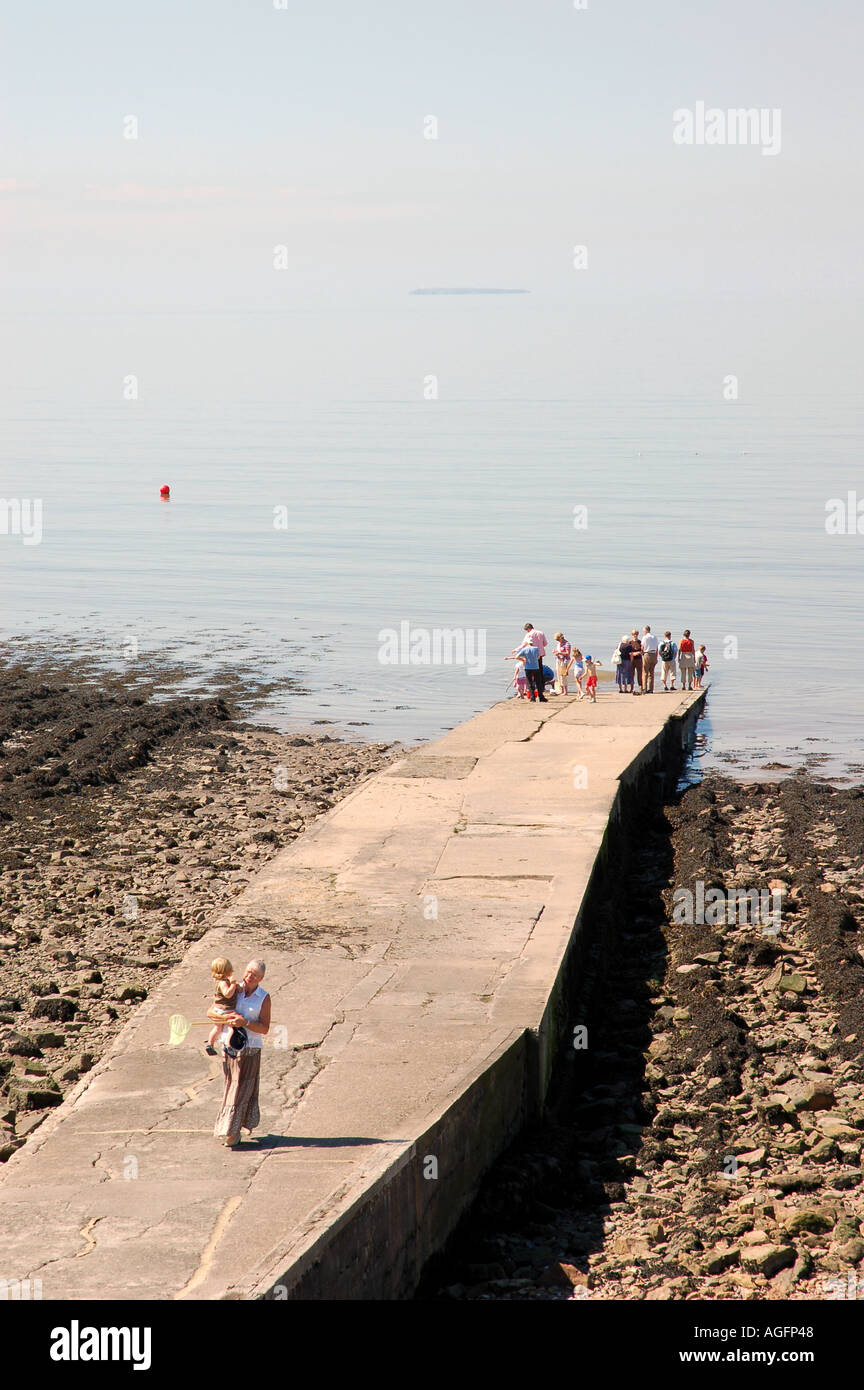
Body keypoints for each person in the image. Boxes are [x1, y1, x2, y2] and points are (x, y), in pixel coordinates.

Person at [210, 959, 271, 1148]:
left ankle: (232, 1131)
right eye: (248, 972)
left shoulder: (263, 997)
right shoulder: (234, 989)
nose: (249, 977)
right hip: (230, 1046)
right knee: (231, 1088)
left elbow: (264, 1028)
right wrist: (223, 1018)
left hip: (250, 1048)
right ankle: (232, 1128)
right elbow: (211, 1011)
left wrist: (244, 1022)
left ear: (261, 978)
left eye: (254, 975)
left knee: (240, 1091)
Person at [205, 957, 239, 1057]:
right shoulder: (223, 983)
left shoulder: (219, 982)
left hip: (218, 1008)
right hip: (226, 1009)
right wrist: (233, 984)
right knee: (231, 1028)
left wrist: (237, 986)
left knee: (217, 1028)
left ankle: (210, 1044)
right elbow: (227, 994)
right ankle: (228, 1046)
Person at [641, 625, 659, 694]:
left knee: (645, 672)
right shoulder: (654, 637)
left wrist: (642, 654)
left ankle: (644, 688)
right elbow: (657, 648)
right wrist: (656, 657)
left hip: (647, 654)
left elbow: (642, 647)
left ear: (645, 631)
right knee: (651, 673)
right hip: (654, 654)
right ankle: (651, 689)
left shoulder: (645, 637)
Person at [629, 629, 644, 695]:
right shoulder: (630, 642)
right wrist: (632, 654)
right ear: (632, 635)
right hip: (632, 660)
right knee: (631, 674)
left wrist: (638, 653)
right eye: (634, 634)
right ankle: (631, 687)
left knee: (639, 674)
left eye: (636, 634)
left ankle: (640, 687)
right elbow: (628, 652)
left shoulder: (640, 642)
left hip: (639, 659)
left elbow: (642, 651)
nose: (635, 635)